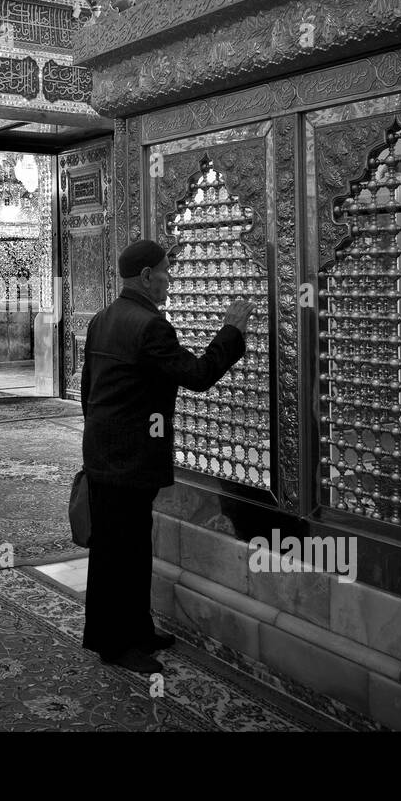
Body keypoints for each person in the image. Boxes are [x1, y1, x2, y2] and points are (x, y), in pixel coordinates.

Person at [81, 239, 254, 674]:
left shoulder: (103, 319)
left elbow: (88, 393)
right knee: (121, 552)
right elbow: (196, 376)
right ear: (145, 276)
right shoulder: (150, 327)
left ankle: (135, 629)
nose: (169, 279)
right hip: (128, 459)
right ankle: (114, 645)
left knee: (124, 548)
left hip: (105, 451)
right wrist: (232, 332)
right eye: (164, 271)